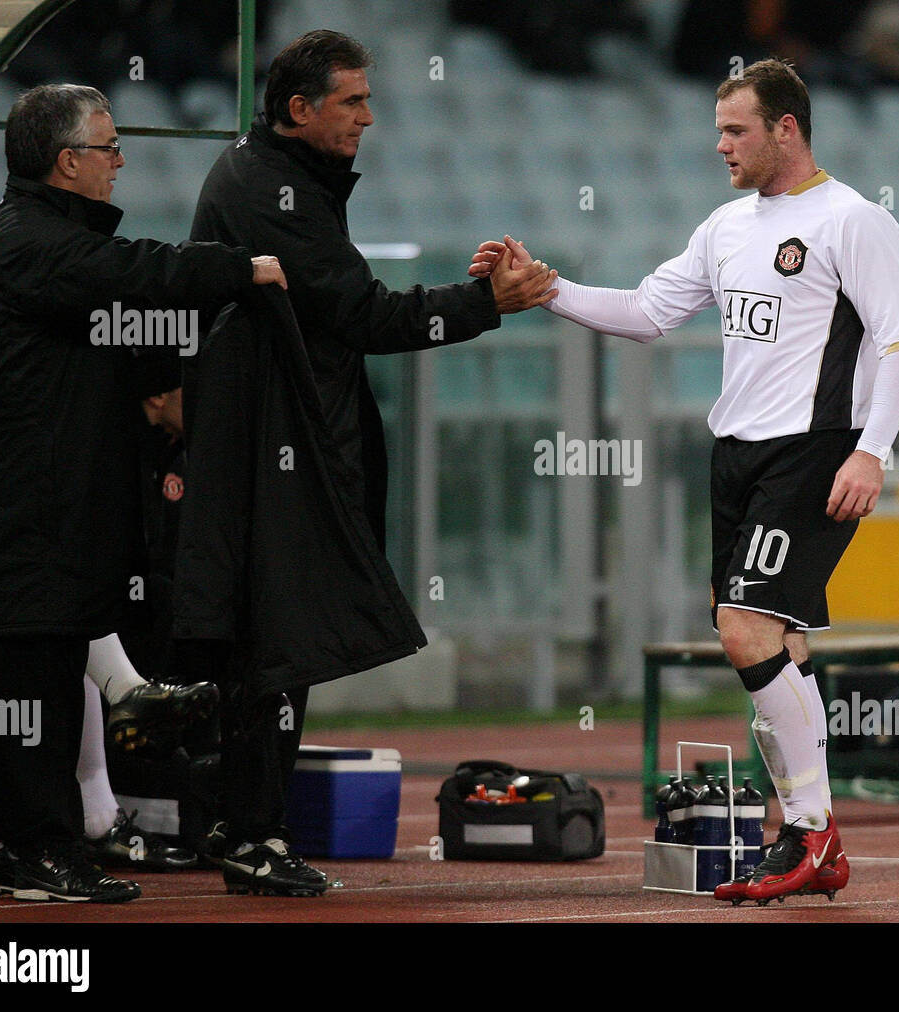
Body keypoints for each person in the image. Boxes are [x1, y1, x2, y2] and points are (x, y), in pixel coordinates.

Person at [474, 58, 899, 904]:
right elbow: (648, 313)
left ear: (785, 128)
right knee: (779, 648)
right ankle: (812, 838)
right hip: (738, 458)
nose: (719, 145)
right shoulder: (725, 226)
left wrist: (873, 450)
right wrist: (550, 291)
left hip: (814, 452)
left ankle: (810, 829)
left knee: (742, 628)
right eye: (718, 128)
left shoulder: (853, 220)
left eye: (735, 130)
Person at [183, 30, 558, 897]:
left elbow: (341, 312)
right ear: (298, 110)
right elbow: (361, 314)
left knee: (282, 642)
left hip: (275, 439)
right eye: (351, 101)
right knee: (276, 644)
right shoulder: (271, 187)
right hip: (265, 450)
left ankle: (246, 829)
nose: (368, 116)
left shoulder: (279, 177)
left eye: (366, 97)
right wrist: (482, 303)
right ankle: (249, 834)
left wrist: (473, 299)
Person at [0, 82, 288, 902]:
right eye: (108, 148)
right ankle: (42, 845)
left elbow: (122, 302)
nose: (120, 160)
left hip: (47, 495)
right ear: (68, 161)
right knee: (36, 674)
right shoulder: (31, 241)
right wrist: (238, 269)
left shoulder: (42, 238)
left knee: (37, 666)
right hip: (32, 500)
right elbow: (131, 271)